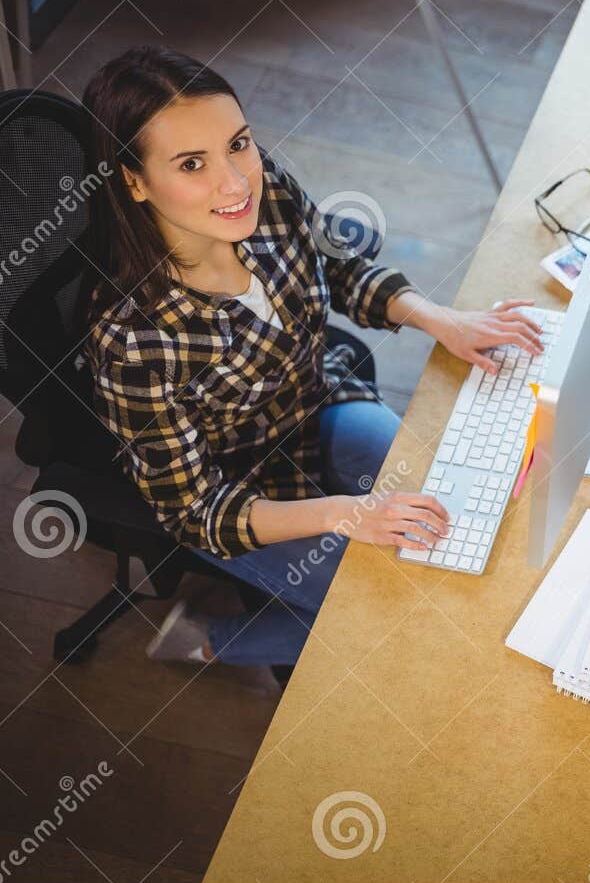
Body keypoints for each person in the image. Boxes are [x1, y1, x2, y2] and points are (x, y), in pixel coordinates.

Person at [81, 46, 545, 668]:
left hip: (315, 402)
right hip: (238, 485)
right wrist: (348, 514)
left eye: (238, 144)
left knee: (454, 525)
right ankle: (206, 642)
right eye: (192, 163)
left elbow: (337, 266)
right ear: (133, 180)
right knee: (384, 604)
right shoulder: (133, 340)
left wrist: (443, 320)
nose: (234, 181)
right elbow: (196, 512)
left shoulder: (263, 191)